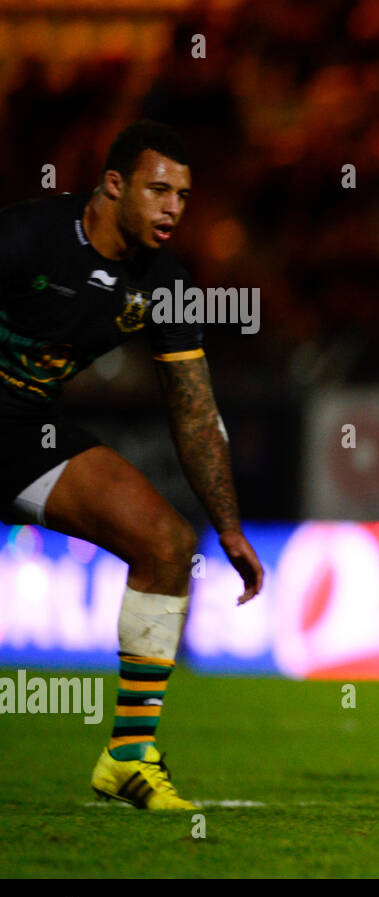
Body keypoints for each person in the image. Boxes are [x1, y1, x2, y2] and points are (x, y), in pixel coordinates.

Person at [0, 120, 264, 809]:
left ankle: (128, 756)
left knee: (168, 544)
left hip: (23, 430)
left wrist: (228, 526)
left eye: (182, 193)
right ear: (113, 186)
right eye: (158, 189)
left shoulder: (164, 281)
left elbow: (194, 410)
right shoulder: (28, 236)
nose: (174, 206)